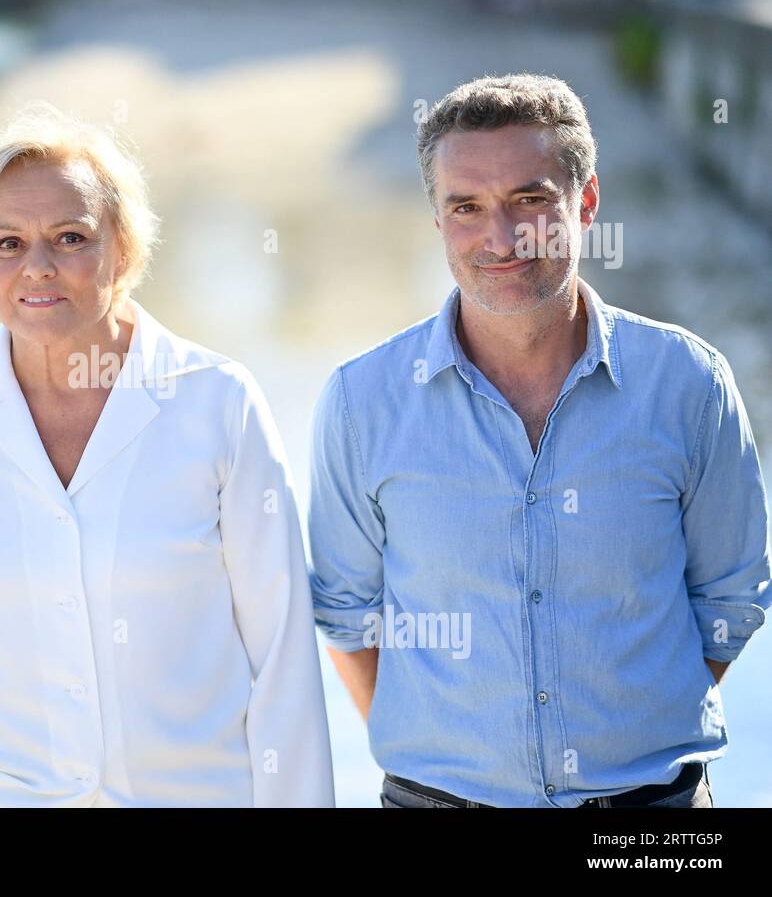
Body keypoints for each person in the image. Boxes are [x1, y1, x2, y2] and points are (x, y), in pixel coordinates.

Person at [309, 73, 769, 808]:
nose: (499, 237)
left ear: (585, 202)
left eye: (530, 199)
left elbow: (732, 597)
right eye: (466, 207)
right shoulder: (363, 403)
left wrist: (627, 731)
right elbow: (345, 613)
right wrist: (450, 758)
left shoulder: (687, 384)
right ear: (436, 218)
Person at [0, 104, 333, 807]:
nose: (38, 268)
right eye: (6, 243)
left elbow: (283, 652)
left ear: (123, 247)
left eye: (69, 237)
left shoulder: (216, 402)